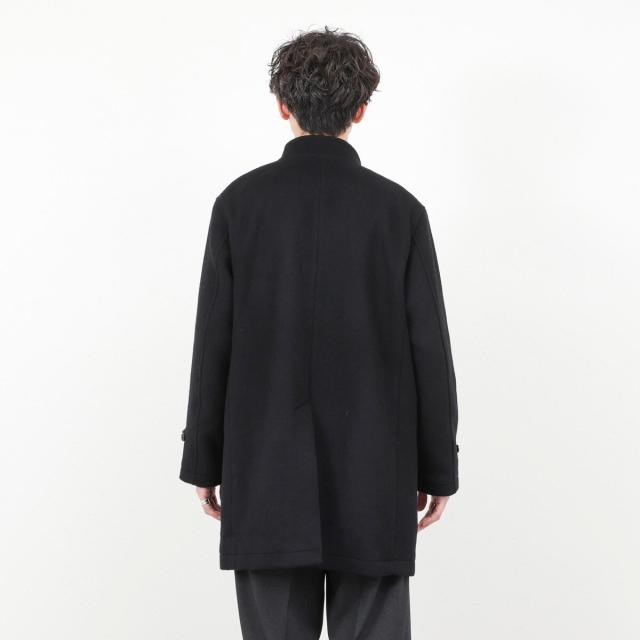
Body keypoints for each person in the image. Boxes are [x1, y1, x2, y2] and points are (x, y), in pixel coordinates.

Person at [178, 26, 459, 640]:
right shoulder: (400, 212)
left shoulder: (238, 205)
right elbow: (430, 350)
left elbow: (212, 342)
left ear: (283, 105)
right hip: (375, 474)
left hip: (264, 470)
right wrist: (438, 468)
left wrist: (203, 457)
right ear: (361, 110)